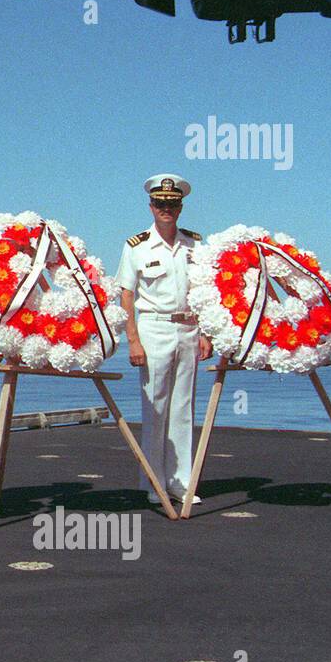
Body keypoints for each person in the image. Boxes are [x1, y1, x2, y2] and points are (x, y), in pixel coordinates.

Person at [116, 174, 212, 506]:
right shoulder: (137, 246)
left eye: (171, 204)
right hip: (153, 329)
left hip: (188, 329)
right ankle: (153, 481)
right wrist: (133, 340)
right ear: (151, 206)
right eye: (160, 204)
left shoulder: (196, 244)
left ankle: (181, 482)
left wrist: (206, 332)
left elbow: (204, 292)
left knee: (183, 408)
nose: (165, 209)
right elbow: (126, 295)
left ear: (181, 207)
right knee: (155, 407)